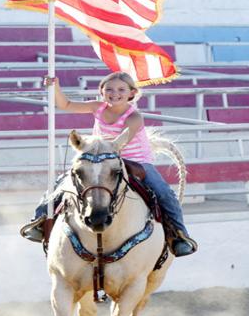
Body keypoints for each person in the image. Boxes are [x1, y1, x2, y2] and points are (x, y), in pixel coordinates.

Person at [20, 72, 198, 256]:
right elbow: (66, 104)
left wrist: (93, 147)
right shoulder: (98, 107)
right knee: (62, 182)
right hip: (100, 157)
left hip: (135, 160)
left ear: (132, 93)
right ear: (101, 92)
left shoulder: (134, 117)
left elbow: (120, 143)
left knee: (164, 193)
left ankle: (179, 235)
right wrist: (54, 87)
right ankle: (40, 220)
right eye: (109, 89)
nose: (115, 93)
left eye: (121, 89)